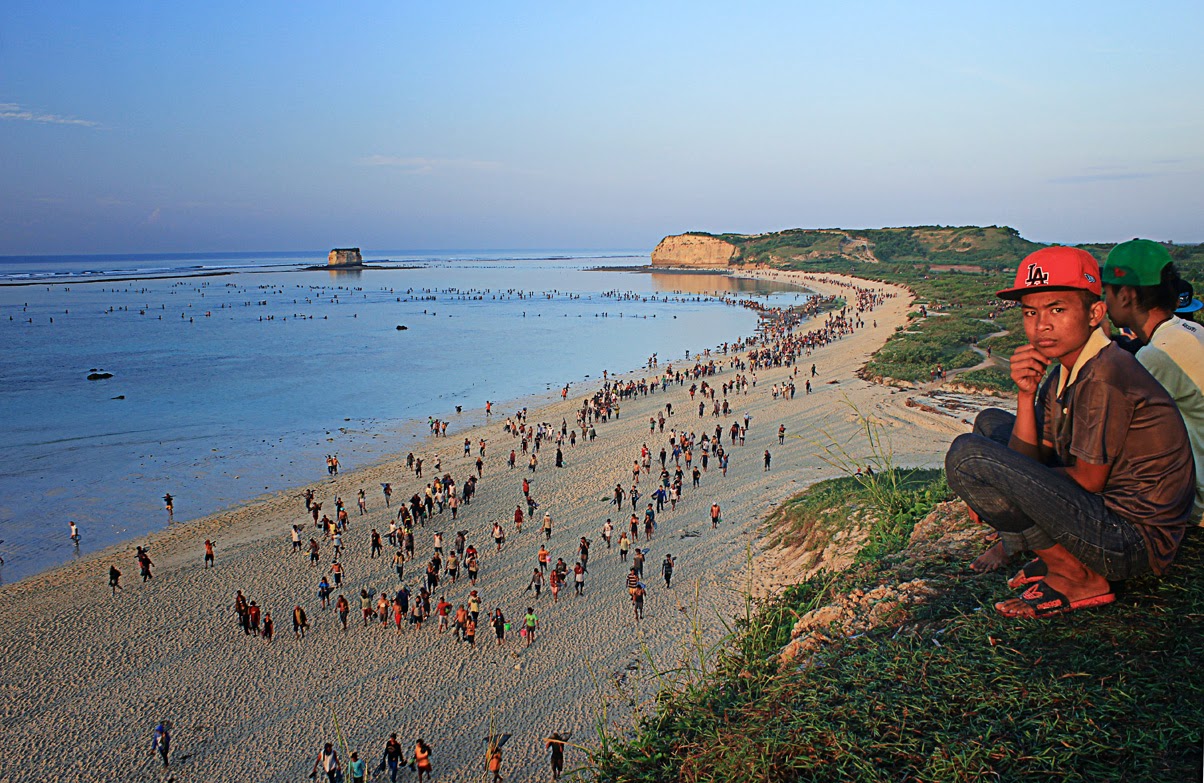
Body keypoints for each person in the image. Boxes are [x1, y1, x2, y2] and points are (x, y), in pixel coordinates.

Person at [945, 247, 1194, 618]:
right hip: (1105, 514)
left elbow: (1089, 480)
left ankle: (1076, 575)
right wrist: (1026, 393)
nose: (1041, 325)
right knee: (990, 423)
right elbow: (1029, 458)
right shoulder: (1068, 367)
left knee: (969, 456)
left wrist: (1001, 480)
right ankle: (1051, 552)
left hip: (1131, 538)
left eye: (1057, 310)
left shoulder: (1105, 375)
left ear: (1095, 313)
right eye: (1031, 312)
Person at [1101, 239, 1204, 521]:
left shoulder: (1157, 354)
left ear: (1126, 296)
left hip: (1195, 505)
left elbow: (1109, 437)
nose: (1105, 302)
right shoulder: (1189, 330)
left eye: (1107, 292)